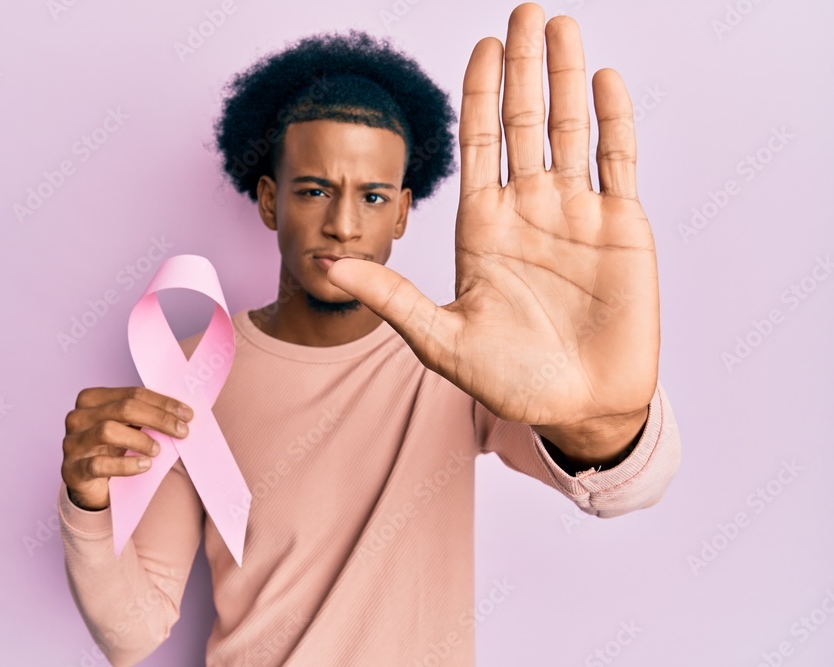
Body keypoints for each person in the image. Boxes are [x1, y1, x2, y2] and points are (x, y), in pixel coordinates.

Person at [58, 4, 681, 665]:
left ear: (405, 213)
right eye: (314, 190)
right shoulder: (193, 369)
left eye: (375, 197)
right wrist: (86, 503)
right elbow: (132, 631)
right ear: (270, 199)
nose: (344, 224)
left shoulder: (461, 356)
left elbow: (626, 490)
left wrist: (601, 418)